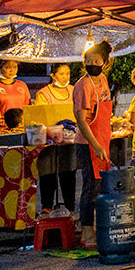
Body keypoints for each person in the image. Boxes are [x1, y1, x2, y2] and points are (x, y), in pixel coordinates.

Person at [73, 40, 114, 246]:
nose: (92, 64)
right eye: (88, 60)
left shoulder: (104, 80)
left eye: (96, 60)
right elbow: (81, 120)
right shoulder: (83, 85)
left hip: (103, 140)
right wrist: (96, 145)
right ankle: (86, 232)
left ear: (104, 63)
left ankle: (95, 228)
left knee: (100, 187)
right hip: (87, 143)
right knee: (90, 187)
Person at [32, 64, 77, 218]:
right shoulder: (43, 93)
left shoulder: (74, 90)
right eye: (62, 73)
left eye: (67, 73)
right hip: (49, 142)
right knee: (48, 173)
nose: (65, 76)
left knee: (68, 173)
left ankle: (70, 208)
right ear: (53, 75)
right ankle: (46, 207)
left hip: (70, 141)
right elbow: (40, 115)